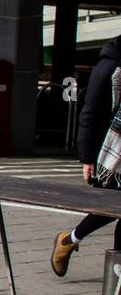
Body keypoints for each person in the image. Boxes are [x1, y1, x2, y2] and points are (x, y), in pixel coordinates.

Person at [53, 34, 121, 275]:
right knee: (112, 206)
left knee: (115, 208)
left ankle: (70, 239)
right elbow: (90, 111)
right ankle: (69, 239)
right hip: (112, 154)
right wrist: (87, 157)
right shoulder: (110, 66)